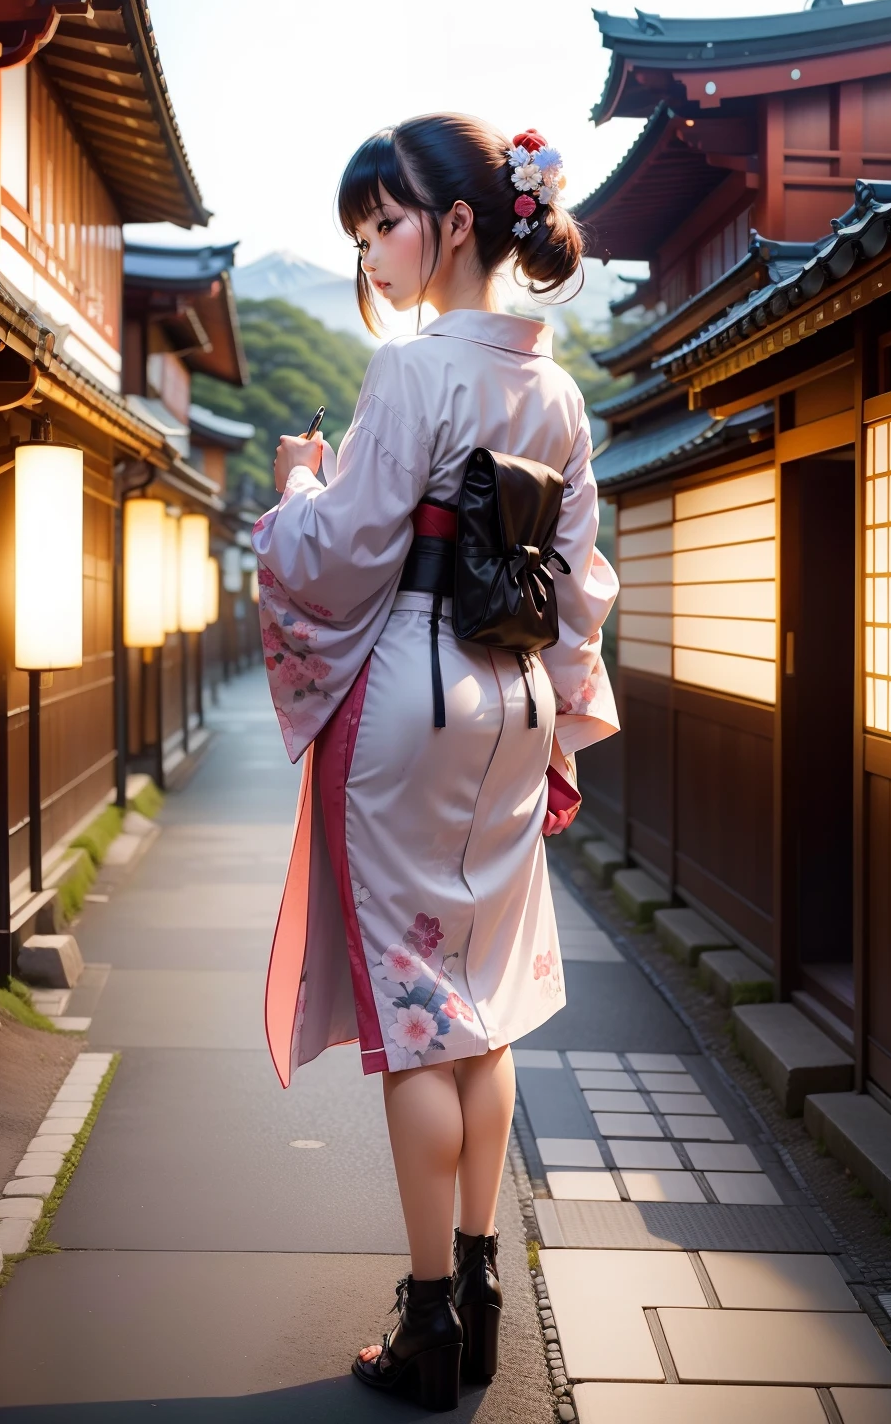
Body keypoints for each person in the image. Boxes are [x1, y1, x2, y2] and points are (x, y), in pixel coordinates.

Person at [252, 114, 618, 1412]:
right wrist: (566, 720)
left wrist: (298, 490)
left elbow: (348, 548)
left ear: (457, 223)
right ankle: (482, 1289)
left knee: (417, 1017)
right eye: (361, 237)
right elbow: (578, 591)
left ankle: (423, 1325)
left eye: (386, 224)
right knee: (490, 1001)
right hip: (515, 695)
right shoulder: (559, 395)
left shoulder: (410, 376)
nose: (376, 253)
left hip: (412, 686)